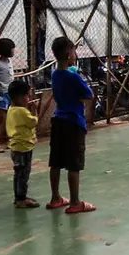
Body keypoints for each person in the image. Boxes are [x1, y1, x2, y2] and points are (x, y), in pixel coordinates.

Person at [47, 37, 96, 213]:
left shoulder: (55, 74)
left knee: (56, 162)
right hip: (73, 122)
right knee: (74, 164)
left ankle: (55, 197)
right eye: (73, 52)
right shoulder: (73, 76)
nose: (75, 55)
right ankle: (75, 202)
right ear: (69, 55)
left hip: (58, 120)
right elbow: (88, 94)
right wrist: (76, 76)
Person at [6, 78, 41, 207]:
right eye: (27, 95)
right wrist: (35, 109)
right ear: (19, 97)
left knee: (19, 173)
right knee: (23, 174)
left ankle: (20, 196)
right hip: (23, 147)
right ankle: (21, 199)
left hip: (16, 146)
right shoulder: (22, 111)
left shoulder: (12, 109)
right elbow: (33, 122)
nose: (28, 98)